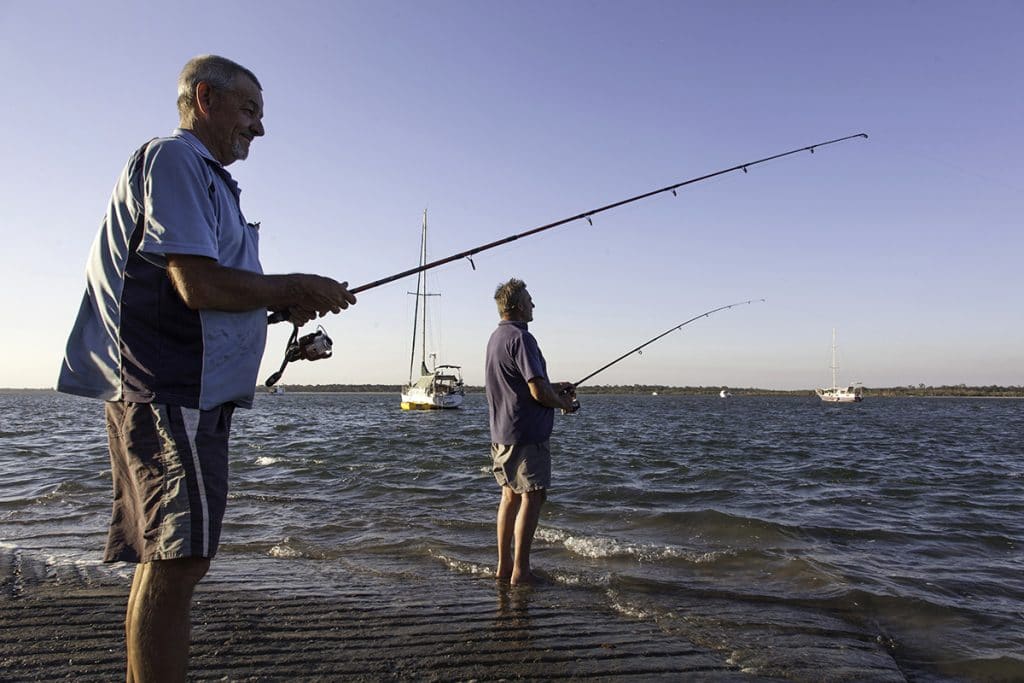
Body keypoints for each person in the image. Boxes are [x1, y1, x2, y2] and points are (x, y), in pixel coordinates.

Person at [56, 55, 356, 681]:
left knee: (169, 557)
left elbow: (202, 297)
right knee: (178, 560)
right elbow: (194, 283)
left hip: (187, 392)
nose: (260, 128)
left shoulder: (206, 177)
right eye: (250, 111)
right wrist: (291, 284)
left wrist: (279, 304)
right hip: (169, 391)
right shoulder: (174, 160)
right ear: (204, 98)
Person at [484, 278, 577, 585]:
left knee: (509, 495)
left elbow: (521, 385)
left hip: (501, 433)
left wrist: (555, 388)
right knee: (533, 496)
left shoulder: (496, 339)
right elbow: (536, 392)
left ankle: (503, 566)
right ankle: (521, 572)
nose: (534, 304)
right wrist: (562, 404)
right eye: (530, 299)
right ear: (520, 306)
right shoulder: (523, 339)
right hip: (526, 434)